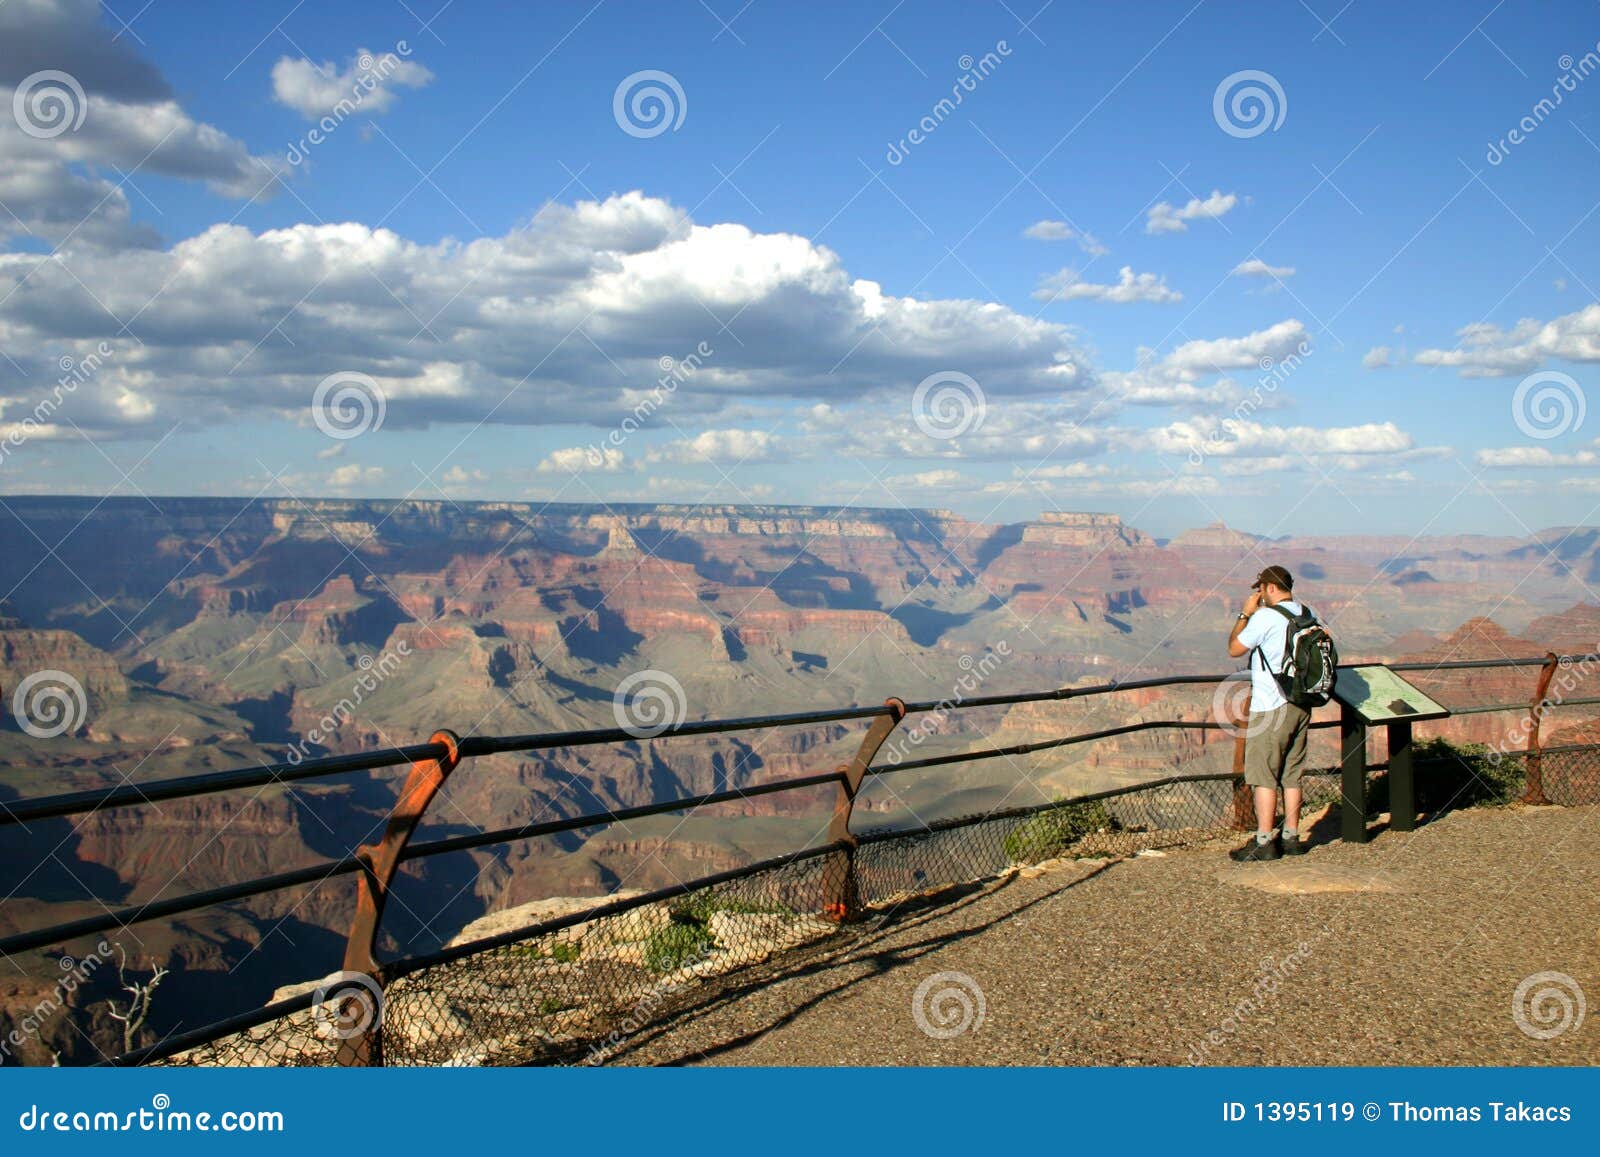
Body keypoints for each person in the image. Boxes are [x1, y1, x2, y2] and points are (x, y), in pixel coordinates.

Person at [1225, 565, 1311, 861]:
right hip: (1300, 704)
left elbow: (1235, 649)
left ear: (1270, 588)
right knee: (1292, 774)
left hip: (1272, 706)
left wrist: (1245, 614)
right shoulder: (1305, 613)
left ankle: (1263, 841)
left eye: (1260, 589)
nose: (1258, 594)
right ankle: (1291, 837)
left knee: (1264, 775)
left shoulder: (1265, 617)